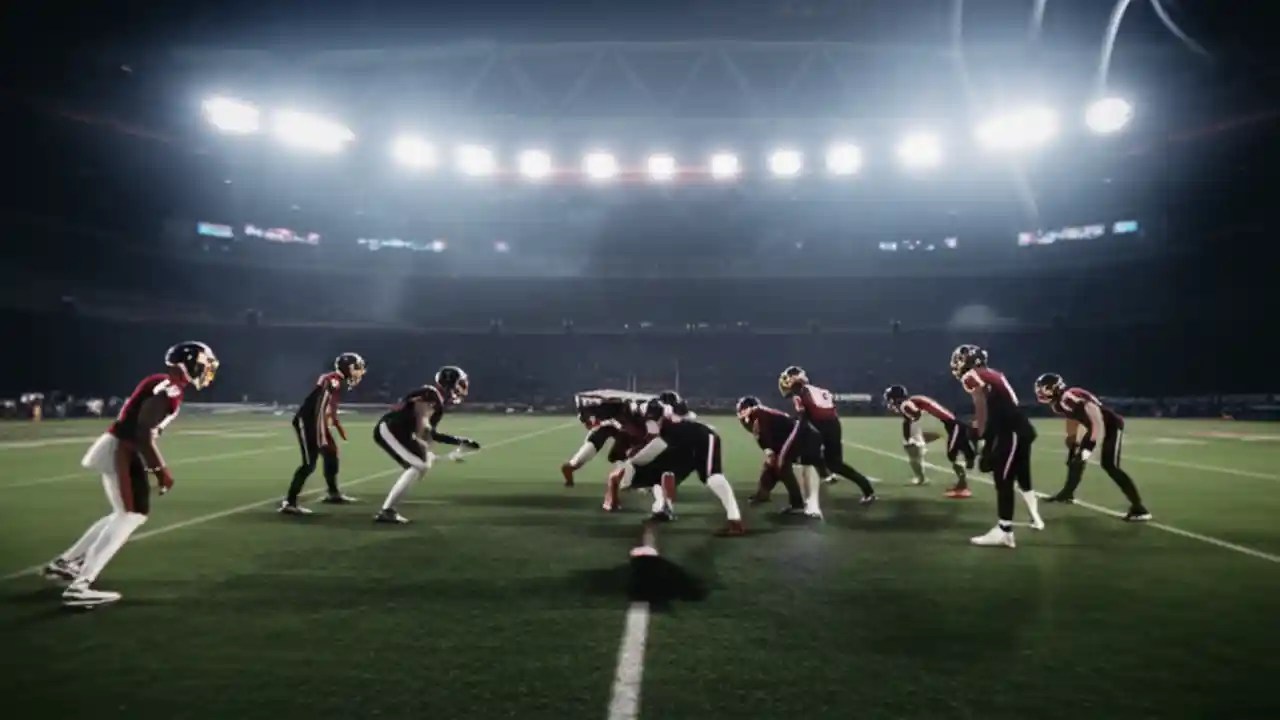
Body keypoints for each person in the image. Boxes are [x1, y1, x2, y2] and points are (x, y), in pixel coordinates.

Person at [43, 342, 219, 608]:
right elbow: (143, 433)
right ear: (191, 364)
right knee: (131, 515)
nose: (207, 372)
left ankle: (66, 562)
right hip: (124, 449)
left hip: (120, 445)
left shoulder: (162, 382)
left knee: (123, 514)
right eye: (204, 366)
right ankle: (81, 585)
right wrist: (162, 471)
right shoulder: (168, 390)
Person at [951, 345, 1044, 548]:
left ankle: (1004, 531)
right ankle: (1036, 519)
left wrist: (982, 433)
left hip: (1010, 430)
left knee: (1003, 478)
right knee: (1022, 476)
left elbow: (981, 404)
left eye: (960, 360)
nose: (957, 364)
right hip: (1019, 428)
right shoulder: (992, 373)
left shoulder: (973, 376)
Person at [612, 399, 745, 536]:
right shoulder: (653, 421)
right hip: (685, 443)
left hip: (702, 437)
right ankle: (663, 508)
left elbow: (653, 446)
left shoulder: (653, 419)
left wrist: (630, 468)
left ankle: (735, 520)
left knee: (712, 476)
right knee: (659, 473)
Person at [1034, 373, 1152, 521]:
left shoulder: (1072, 396)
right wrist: (1072, 441)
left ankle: (1139, 508)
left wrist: (1086, 451)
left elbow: (1097, 423)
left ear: (1056, 388)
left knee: (1110, 465)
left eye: (1045, 389)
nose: (1041, 392)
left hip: (1110, 425)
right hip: (1093, 426)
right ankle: (1067, 494)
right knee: (1074, 461)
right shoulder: (1059, 404)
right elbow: (1073, 419)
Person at [372, 366, 481, 524]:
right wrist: (426, 445)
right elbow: (423, 426)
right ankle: (387, 511)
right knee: (420, 465)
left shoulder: (436, 400)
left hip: (400, 431)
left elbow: (431, 434)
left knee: (423, 463)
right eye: (461, 384)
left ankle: (389, 509)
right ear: (451, 383)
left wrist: (460, 441)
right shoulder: (430, 395)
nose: (463, 388)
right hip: (391, 428)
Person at [279, 353, 366, 515]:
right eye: (357, 368)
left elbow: (328, 408)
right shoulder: (331, 380)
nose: (359, 372)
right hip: (308, 423)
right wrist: (322, 436)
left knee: (331, 454)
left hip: (318, 423)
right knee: (309, 463)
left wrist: (334, 425)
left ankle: (333, 493)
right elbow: (318, 409)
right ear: (348, 368)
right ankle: (289, 502)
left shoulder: (336, 381)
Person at [778, 366, 878, 504]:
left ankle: (804, 496)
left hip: (820, 426)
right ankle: (867, 490)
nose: (784, 383)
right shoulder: (817, 389)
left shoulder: (799, 394)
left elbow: (804, 418)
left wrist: (794, 439)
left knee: (798, 456)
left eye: (787, 379)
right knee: (835, 464)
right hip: (834, 424)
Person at [736, 395, 824, 518]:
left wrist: (769, 450)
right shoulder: (762, 414)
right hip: (795, 437)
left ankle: (797, 504)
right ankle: (763, 494)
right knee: (772, 465)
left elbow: (764, 433)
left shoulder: (758, 413)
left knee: (782, 466)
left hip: (802, 437)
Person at [883, 385, 975, 496]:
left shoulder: (906, 404)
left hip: (949, 426)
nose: (890, 403)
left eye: (890, 399)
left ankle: (963, 485)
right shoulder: (912, 401)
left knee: (953, 455)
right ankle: (922, 477)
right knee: (913, 447)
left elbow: (915, 414)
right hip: (941, 426)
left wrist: (910, 432)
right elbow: (914, 419)